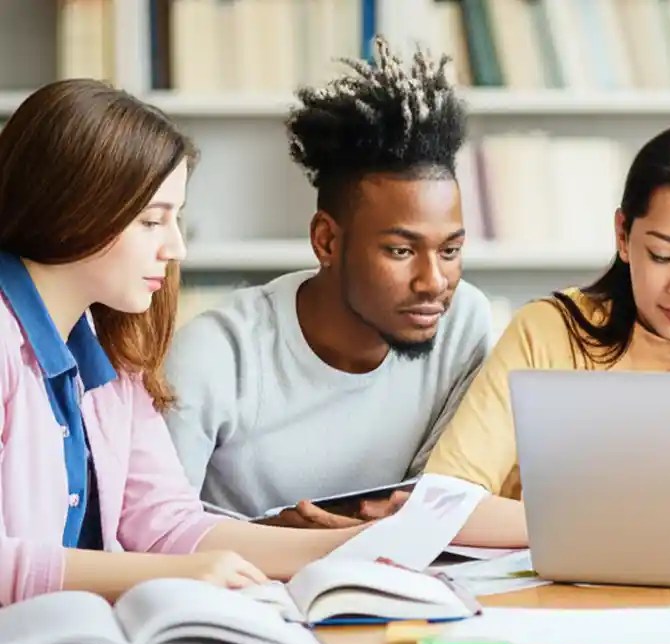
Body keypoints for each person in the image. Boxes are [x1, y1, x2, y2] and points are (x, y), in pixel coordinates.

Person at [0, 79, 369, 606]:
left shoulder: (107, 347)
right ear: (72, 209)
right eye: (152, 220)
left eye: (176, 218)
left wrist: (353, 547)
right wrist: (163, 575)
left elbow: (166, 524)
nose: (176, 247)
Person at [420, 123, 670, 547]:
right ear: (623, 236)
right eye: (662, 255)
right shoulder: (549, 333)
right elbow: (442, 505)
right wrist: (623, 527)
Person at [163, 38, 492, 528]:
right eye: (400, 251)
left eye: (450, 251)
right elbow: (151, 536)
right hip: (241, 576)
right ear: (326, 241)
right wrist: (284, 539)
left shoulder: (463, 324)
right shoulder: (218, 354)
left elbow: (444, 503)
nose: (433, 282)